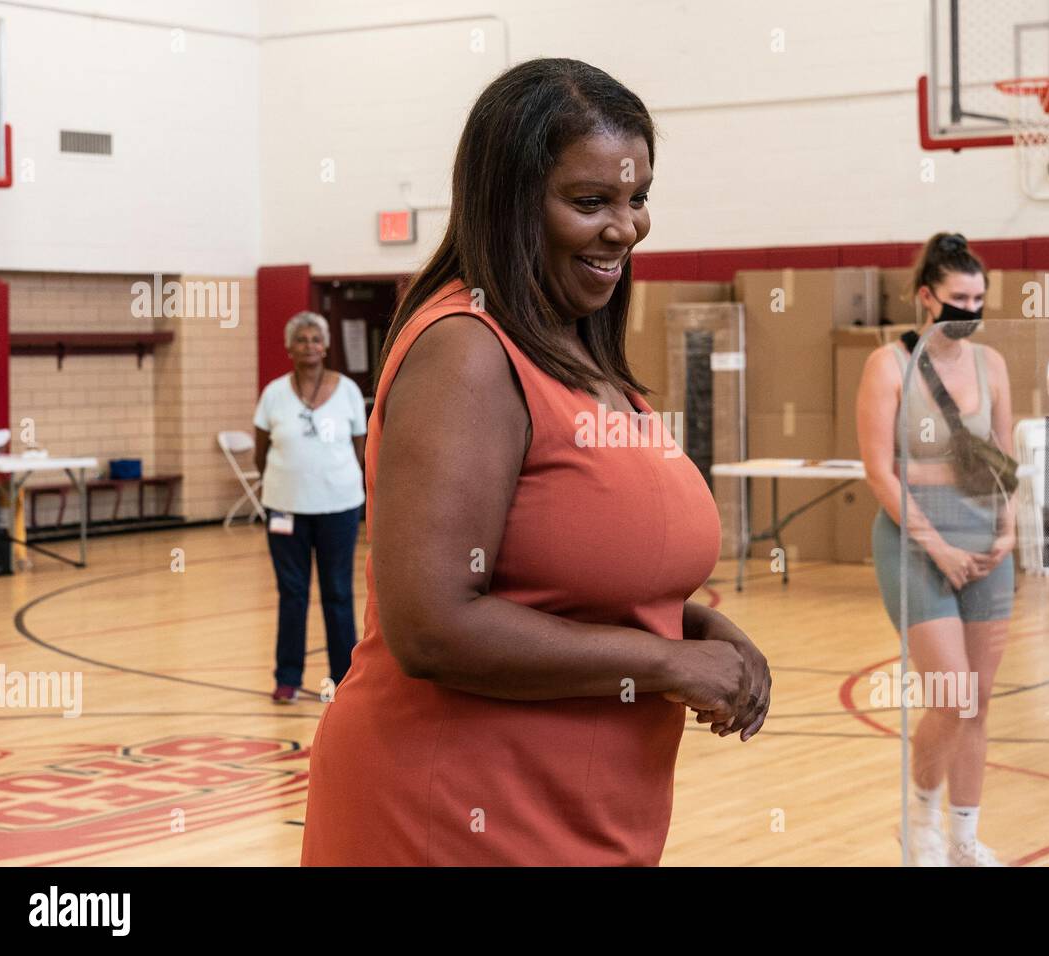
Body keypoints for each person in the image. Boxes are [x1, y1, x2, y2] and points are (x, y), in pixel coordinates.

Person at [300, 57, 771, 867]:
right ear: (510, 203)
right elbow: (434, 626)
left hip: (579, 819)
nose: (624, 227)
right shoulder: (466, 353)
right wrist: (667, 661)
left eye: (637, 197)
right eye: (590, 202)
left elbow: (576, 583)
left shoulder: (582, 352)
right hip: (448, 819)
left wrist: (697, 625)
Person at [856, 233, 1017, 866]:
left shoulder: (993, 364)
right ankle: (918, 818)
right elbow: (878, 472)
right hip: (915, 539)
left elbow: (1003, 462)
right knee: (950, 694)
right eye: (958, 298)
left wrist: (1008, 529)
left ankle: (965, 838)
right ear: (927, 297)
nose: (969, 310)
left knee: (977, 701)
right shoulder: (888, 365)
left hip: (985, 542)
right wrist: (938, 547)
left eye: (979, 299)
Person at [253, 311, 368, 704]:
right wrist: (287, 481)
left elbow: (360, 448)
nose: (309, 346)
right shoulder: (273, 394)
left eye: (315, 338)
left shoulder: (348, 390)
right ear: (289, 348)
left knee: (337, 591)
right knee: (292, 593)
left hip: (339, 507)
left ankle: (344, 677)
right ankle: (287, 677)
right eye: (301, 340)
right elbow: (260, 452)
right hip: (284, 509)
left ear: (326, 344)